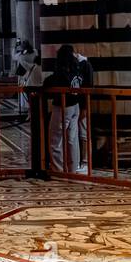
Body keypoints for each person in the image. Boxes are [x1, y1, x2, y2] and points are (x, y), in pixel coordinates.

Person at [44, 45, 91, 174]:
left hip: (63, 107)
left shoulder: (63, 70)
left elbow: (51, 81)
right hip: (75, 106)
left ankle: (58, 169)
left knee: (56, 139)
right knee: (72, 139)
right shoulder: (79, 68)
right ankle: (72, 168)